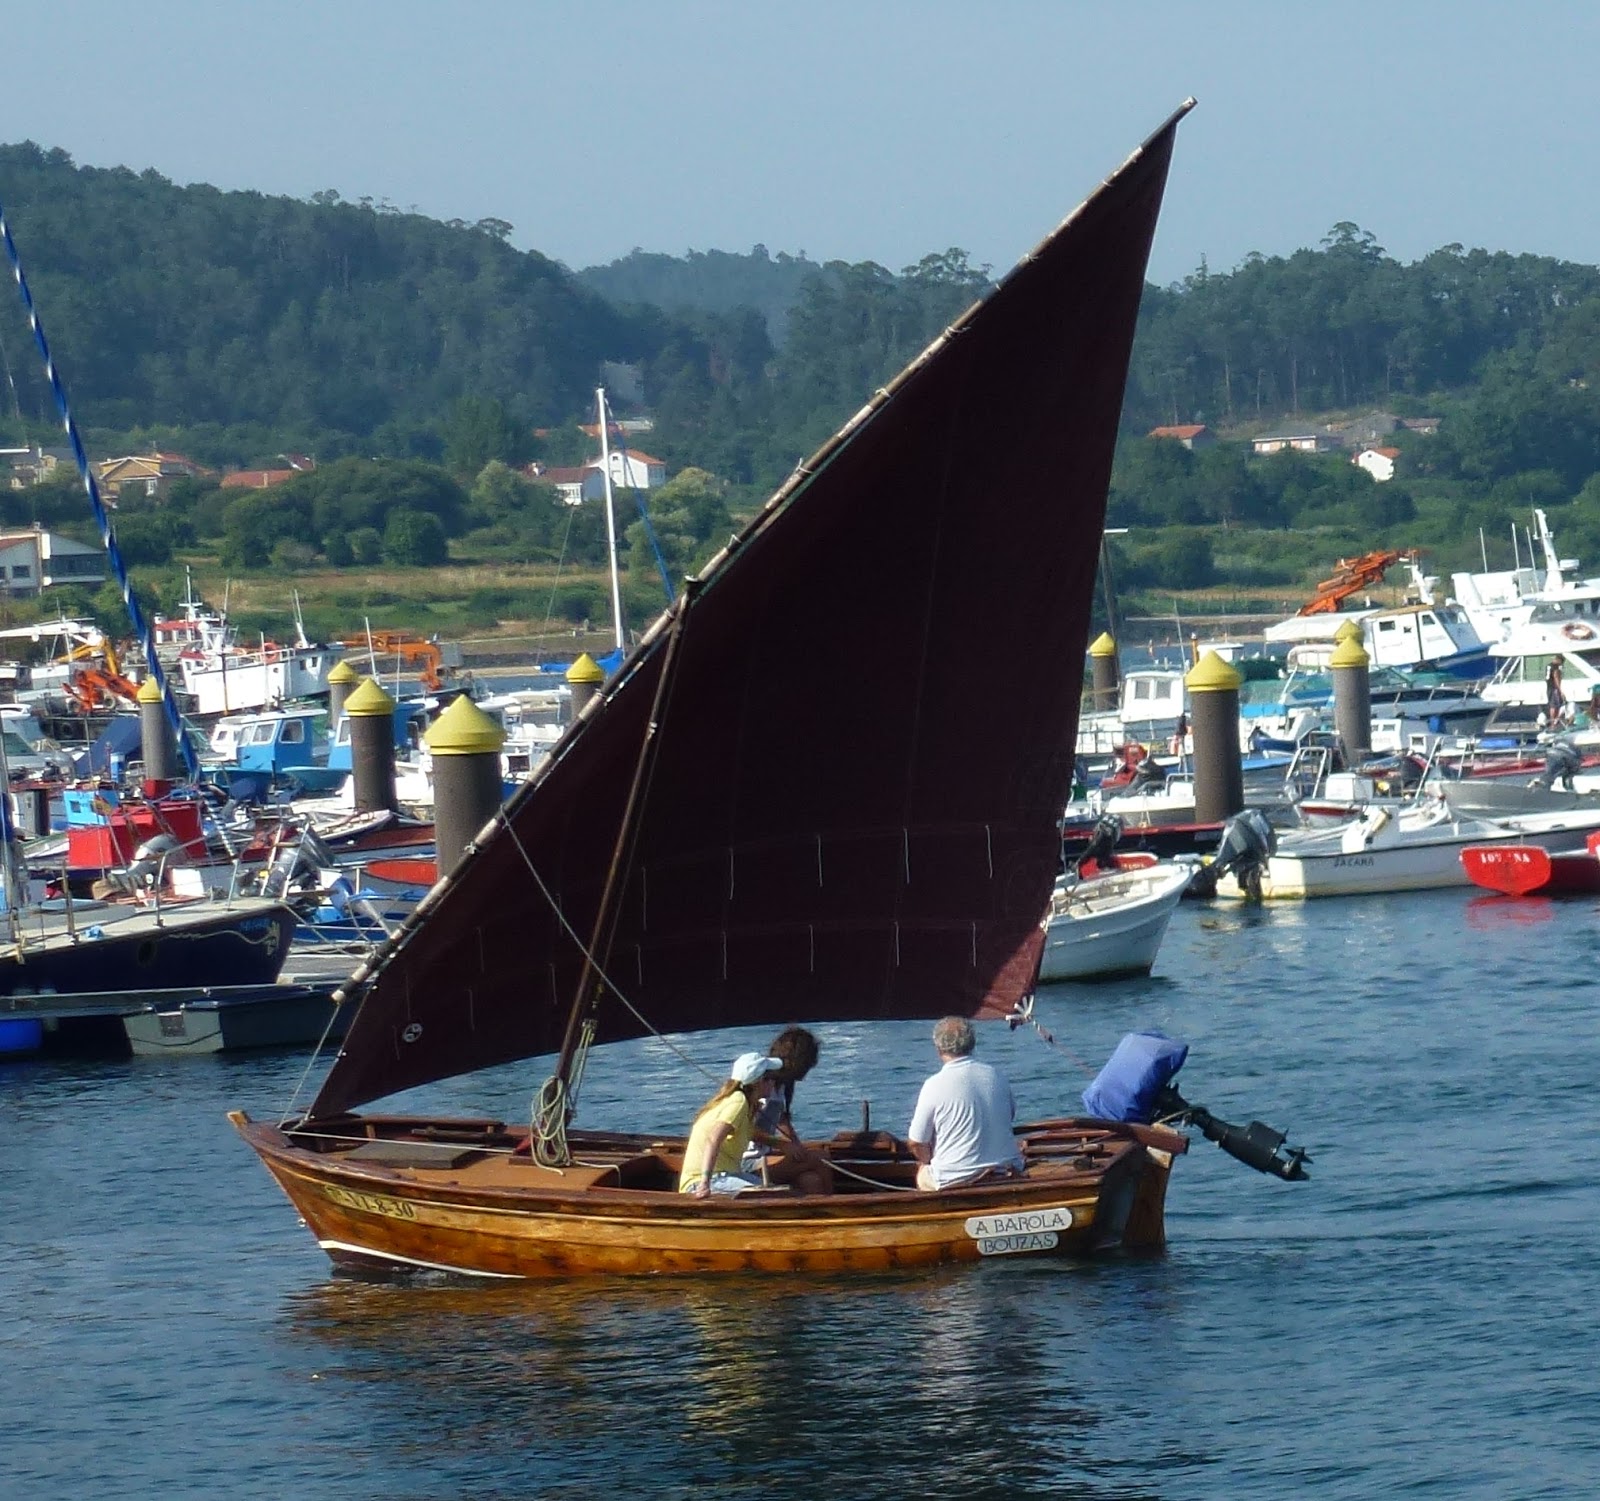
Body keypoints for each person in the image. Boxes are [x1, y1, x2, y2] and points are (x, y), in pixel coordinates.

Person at [906, 1017, 1025, 1191]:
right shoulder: (996, 1075)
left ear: (938, 1048)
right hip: (1006, 1171)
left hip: (954, 1180)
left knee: (921, 1173)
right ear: (973, 1044)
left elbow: (916, 1142)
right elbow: (1011, 1115)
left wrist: (928, 1162)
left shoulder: (933, 1085)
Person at [679, 1051, 783, 1198]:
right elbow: (713, 1138)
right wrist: (704, 1183)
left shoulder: (738, 1101)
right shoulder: (738, 1101)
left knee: (775, 1191)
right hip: (707, 1180)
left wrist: (787, 1146)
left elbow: (752, 1134)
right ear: (759, 1081)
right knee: (768, 1196)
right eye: (771, 1078)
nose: (774, 1083)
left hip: (726, 1175)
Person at [747, 1026, 832, 1195]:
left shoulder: (782, 1087)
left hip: (764, 1157)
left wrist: (797, 1147)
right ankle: (836, 1207)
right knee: (822, 1158)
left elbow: (782, 1121)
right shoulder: (763, 1086)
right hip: (747, 1163)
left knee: (810, 1180)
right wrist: (784, 1146)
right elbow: (743, 1128)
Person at [1545, 659, 1566, 725]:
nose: (1561, 664)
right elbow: (1556, 677)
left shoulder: (1548, 666)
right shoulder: (1555, 667)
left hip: (1549, 687)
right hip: (1554, 688)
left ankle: (1553, 722)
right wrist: (1560, 690)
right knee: (1555, 706)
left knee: (1553, 705)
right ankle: (1553, 723)